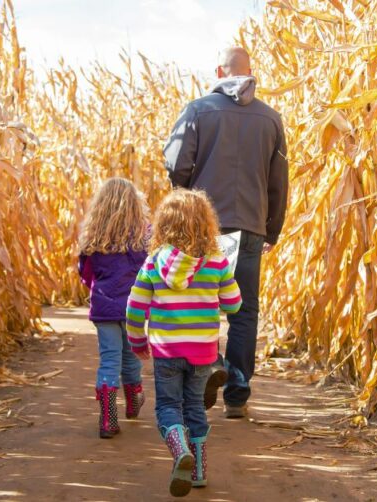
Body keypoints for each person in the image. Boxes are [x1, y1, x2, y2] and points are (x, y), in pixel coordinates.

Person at [162, 46, 289, 419]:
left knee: (201, 302)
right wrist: (272, 229)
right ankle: (237, 393)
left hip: (205, 228)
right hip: (250, 226)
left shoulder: (198, 110)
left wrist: (184, 205)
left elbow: (177, 164)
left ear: (219, 71)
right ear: (251, 72)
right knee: (243, 310)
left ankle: (208, 369)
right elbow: (278, 181)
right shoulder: (271, 119)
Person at [126, 190, 242, 496]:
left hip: (166, 350)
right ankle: (200, 471)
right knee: (195, 407)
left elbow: (135, 308)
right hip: (203, 351)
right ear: (206, 224)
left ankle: (180, 453)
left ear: (163, 224)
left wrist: (137, 343)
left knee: (167, 406)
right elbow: (234, 304)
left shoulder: (153, 263)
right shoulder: (217, 263)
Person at [78, 178, 150, 439]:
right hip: (135, 308)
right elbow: (151, 270)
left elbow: (85, 272)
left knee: (109, 359)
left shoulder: (93, 234)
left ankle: (108, 419)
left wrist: (95, 288)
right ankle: (133, 401)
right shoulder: (145, 234)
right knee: (131, 357)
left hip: (104, 307)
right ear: (135, 204)